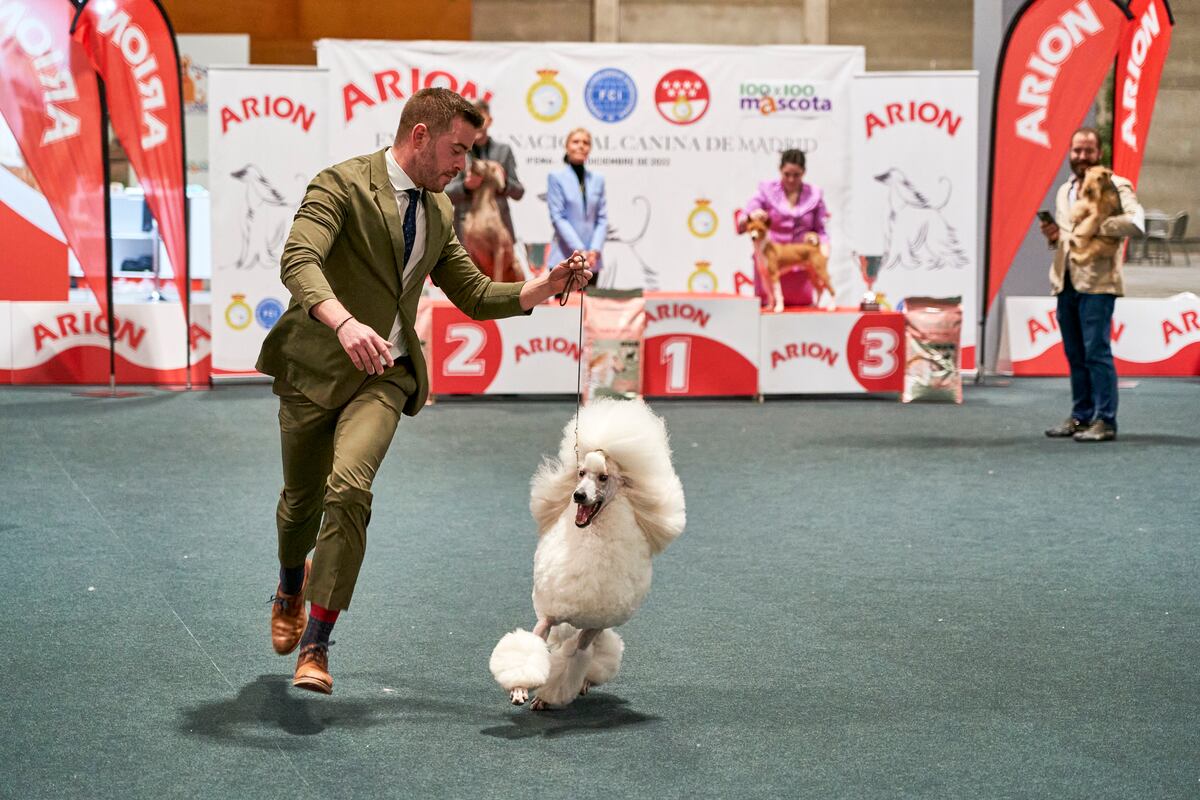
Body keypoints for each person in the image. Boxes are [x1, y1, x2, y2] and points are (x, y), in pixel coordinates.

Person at [255, 88, 592, 694]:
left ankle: (318, 644)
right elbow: (299, 259)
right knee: (299, 505)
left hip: (386, 374)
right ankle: (289, 582)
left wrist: (545, 286)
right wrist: (344, 320)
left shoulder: (438, 212)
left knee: (349, 488)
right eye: (456, 150)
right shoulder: (341, 184)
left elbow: (474, 292)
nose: (463, 165)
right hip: (315, 368)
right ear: (418, 136)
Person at [1039, 128, 1143, 443]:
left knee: (1096, 351)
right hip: (1066, 281)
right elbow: (1069, 238)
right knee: (1074, 353)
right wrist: (1056, 236)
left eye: (1088, 151)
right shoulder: (1063, 191)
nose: (1082, 157)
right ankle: (1081, 416)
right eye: (1077, 151)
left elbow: (1136, 223)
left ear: (1099, 154)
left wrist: (1096, 224)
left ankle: (1105, 420)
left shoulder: (1116, 184)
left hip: (1098, 283)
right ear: (1069, 154)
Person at [736, 149, 829, 308]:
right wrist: (753, 215)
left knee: (800, 315)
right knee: (769, 310)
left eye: (797, 175)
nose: (791, 179)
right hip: (770, 261)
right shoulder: (766, 190)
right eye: (786, 174)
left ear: (804, 172)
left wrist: (823, 247)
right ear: (780, 170)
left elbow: (821, 230)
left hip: (800, 268)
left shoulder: (815, 195)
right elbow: (744, 219)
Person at [445, 98, 524, 243]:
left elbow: (519, 192)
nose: (477, 125)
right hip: (466, 233)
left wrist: (504, 182)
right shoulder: (457, 151)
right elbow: (445, 194)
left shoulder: (504, 151)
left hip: (499, 230)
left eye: (480, 118)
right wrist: (465, 187)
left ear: (490, 120)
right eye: (471, 120)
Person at [547, 128, 607, 287]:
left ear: (590, 149)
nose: (581, 146)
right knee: (562, 308)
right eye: (576, 142)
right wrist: (579, 250)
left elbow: (602, 218)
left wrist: (594, 250)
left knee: (589, 309)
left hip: (592, 260)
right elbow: (558, 217)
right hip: (564, 258)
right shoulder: (556, 178)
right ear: (567, 146)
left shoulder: (598, 179)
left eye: (586, 143)